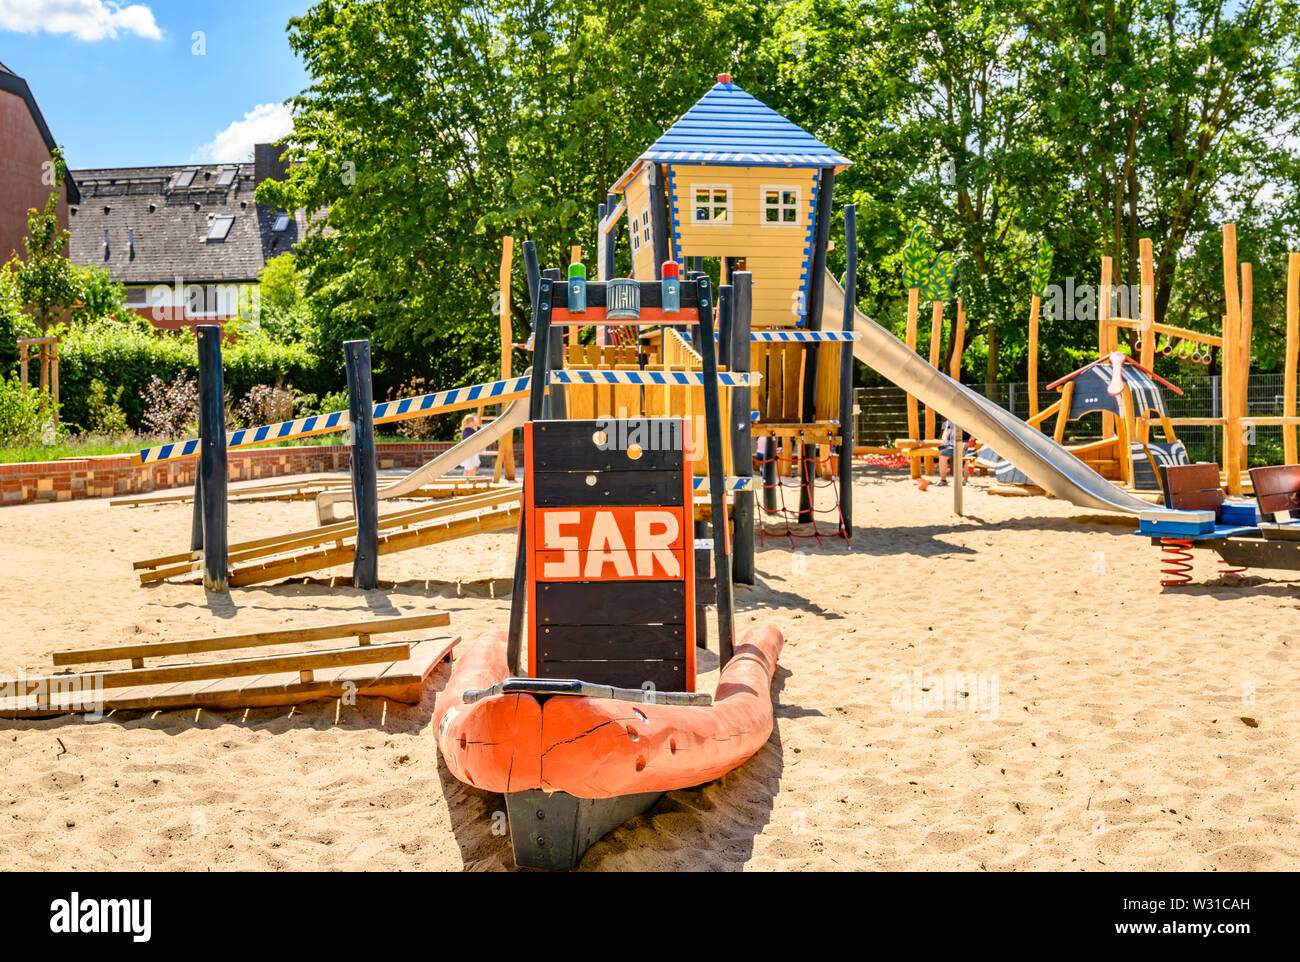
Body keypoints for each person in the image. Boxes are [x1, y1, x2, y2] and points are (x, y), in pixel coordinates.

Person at [458, 413, 481, 477]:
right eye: (473, 421)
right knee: (468, 468)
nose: (474, 422)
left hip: (470, 451)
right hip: (468, 451)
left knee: (469, 468)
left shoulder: (468, 429)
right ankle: (465, 481)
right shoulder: (468, 429)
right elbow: (479, 434)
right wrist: (478, 425)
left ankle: (467, 482)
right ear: (470, 422)